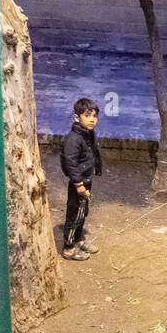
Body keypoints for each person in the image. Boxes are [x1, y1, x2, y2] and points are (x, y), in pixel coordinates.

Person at [60, 97, 103, 261]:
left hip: (86, 180)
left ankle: (78, 239)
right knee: (74, 214)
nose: (92, 120)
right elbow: (70, 163)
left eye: (94, 116)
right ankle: (69, 248)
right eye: (87, 115)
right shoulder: (73, 139)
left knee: (82, 212)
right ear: (77, 117)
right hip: (79, 183)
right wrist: (78, 184)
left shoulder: (88, 134)